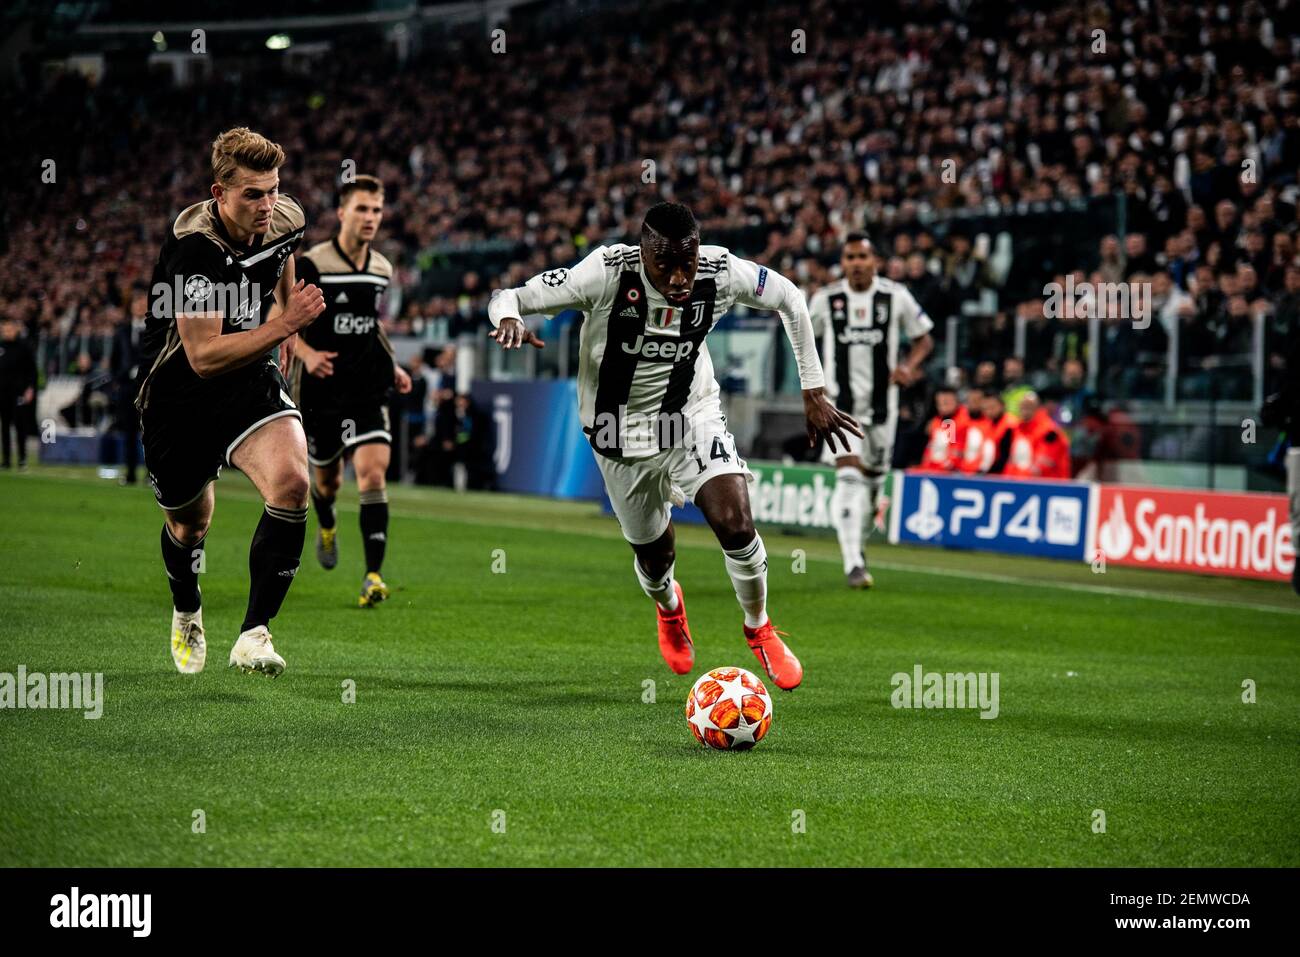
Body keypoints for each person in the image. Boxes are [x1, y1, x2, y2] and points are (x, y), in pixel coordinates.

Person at [487, 202, 859, 691]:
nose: (682, 278)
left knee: (735, 521)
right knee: (655, 556)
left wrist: (813, 391)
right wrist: (510, 318)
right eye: (667, 266)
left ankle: (759, 625)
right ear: (643, 252)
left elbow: (789, 297)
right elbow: (506, 295)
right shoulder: (604, 273)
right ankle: (668, 607)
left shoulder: (720, 272)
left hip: (689, 417)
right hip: (617, 433)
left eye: (689, 262)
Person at [135, 127, 325, 676]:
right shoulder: (196, 251)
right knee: (190, 525)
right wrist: (287, 322)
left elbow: (283, 253)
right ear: (219, 194)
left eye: (272, 190)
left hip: (247, 377)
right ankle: (187, 607)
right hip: (178, 395)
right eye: (251, 195)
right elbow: (203, 355)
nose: (267, 205)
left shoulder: (284, 216)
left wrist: (285, 317)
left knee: (292, 483)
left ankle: (254, 634)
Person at [290, 175, 412, 607]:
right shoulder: (314, 264)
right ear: (342, 212)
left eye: (377, 210)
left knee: (374, 474)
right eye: (362, 209)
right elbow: (279, 317)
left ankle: (373, 575)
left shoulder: (381, 268)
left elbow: (370, 323)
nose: (370, 218)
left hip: (367, 386)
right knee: (327, 482)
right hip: (323, 390)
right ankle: (326, 520)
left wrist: (393, 364)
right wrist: (305, 354)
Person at [810, 233, 933, 588]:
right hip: (840, 406)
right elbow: (801, 333)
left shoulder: (895, 297)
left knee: (874, 483)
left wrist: (909, 366)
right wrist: (813, 382)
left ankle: (858, 545)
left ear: (874, 261)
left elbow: (924, 338)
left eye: (862, 256)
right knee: (848, 477)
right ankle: (853, 565)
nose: (856, 263)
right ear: (843, 263)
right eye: (850, 257)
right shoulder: (826, 298)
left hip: (883, 409)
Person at [0, 317, 37, 470]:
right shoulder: (1, 347)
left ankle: (22, 459)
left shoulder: (24, 347)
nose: (6, 332)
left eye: (9, 329)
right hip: (2, 392)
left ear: (16, 329)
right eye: (3, 330)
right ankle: (6, 460)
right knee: (4, 427)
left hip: (19, 392)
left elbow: (32, 370)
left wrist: (30, 388)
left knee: (20, 426)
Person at [918, 385, 968, 472]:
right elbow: (930, 448)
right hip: (933, 468)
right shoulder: (936, 421)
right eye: (939, 404)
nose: (942, 407)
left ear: (956, 401)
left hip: (954, 471)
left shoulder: (965, 420)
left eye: (946, 403)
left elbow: (957, 452)